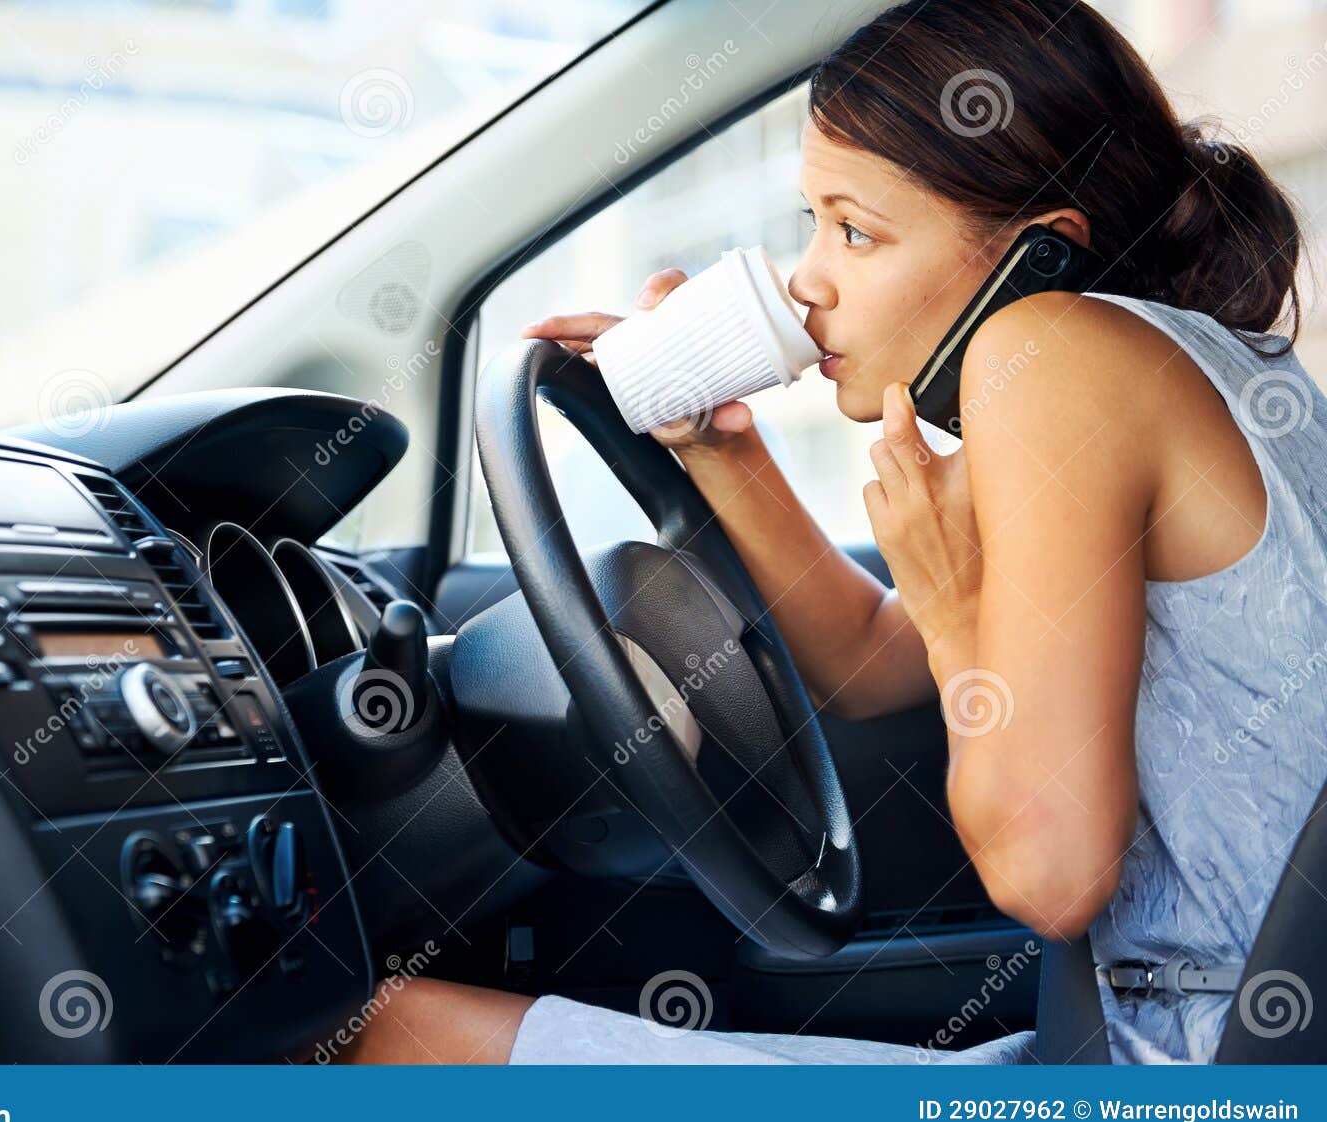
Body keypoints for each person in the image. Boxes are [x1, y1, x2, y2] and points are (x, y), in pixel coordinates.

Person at [340, 0, 1327, 1065]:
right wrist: (722, 447)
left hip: (1187, 1083)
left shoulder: (1051, 353)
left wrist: (955, 615)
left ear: (1039, 255)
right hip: (1148, 1050)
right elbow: (867, 659)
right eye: (812, 221)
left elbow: (1049, 875)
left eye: (855, 230)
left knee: (383, 1039)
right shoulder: (1186, 366)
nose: (807, 277)